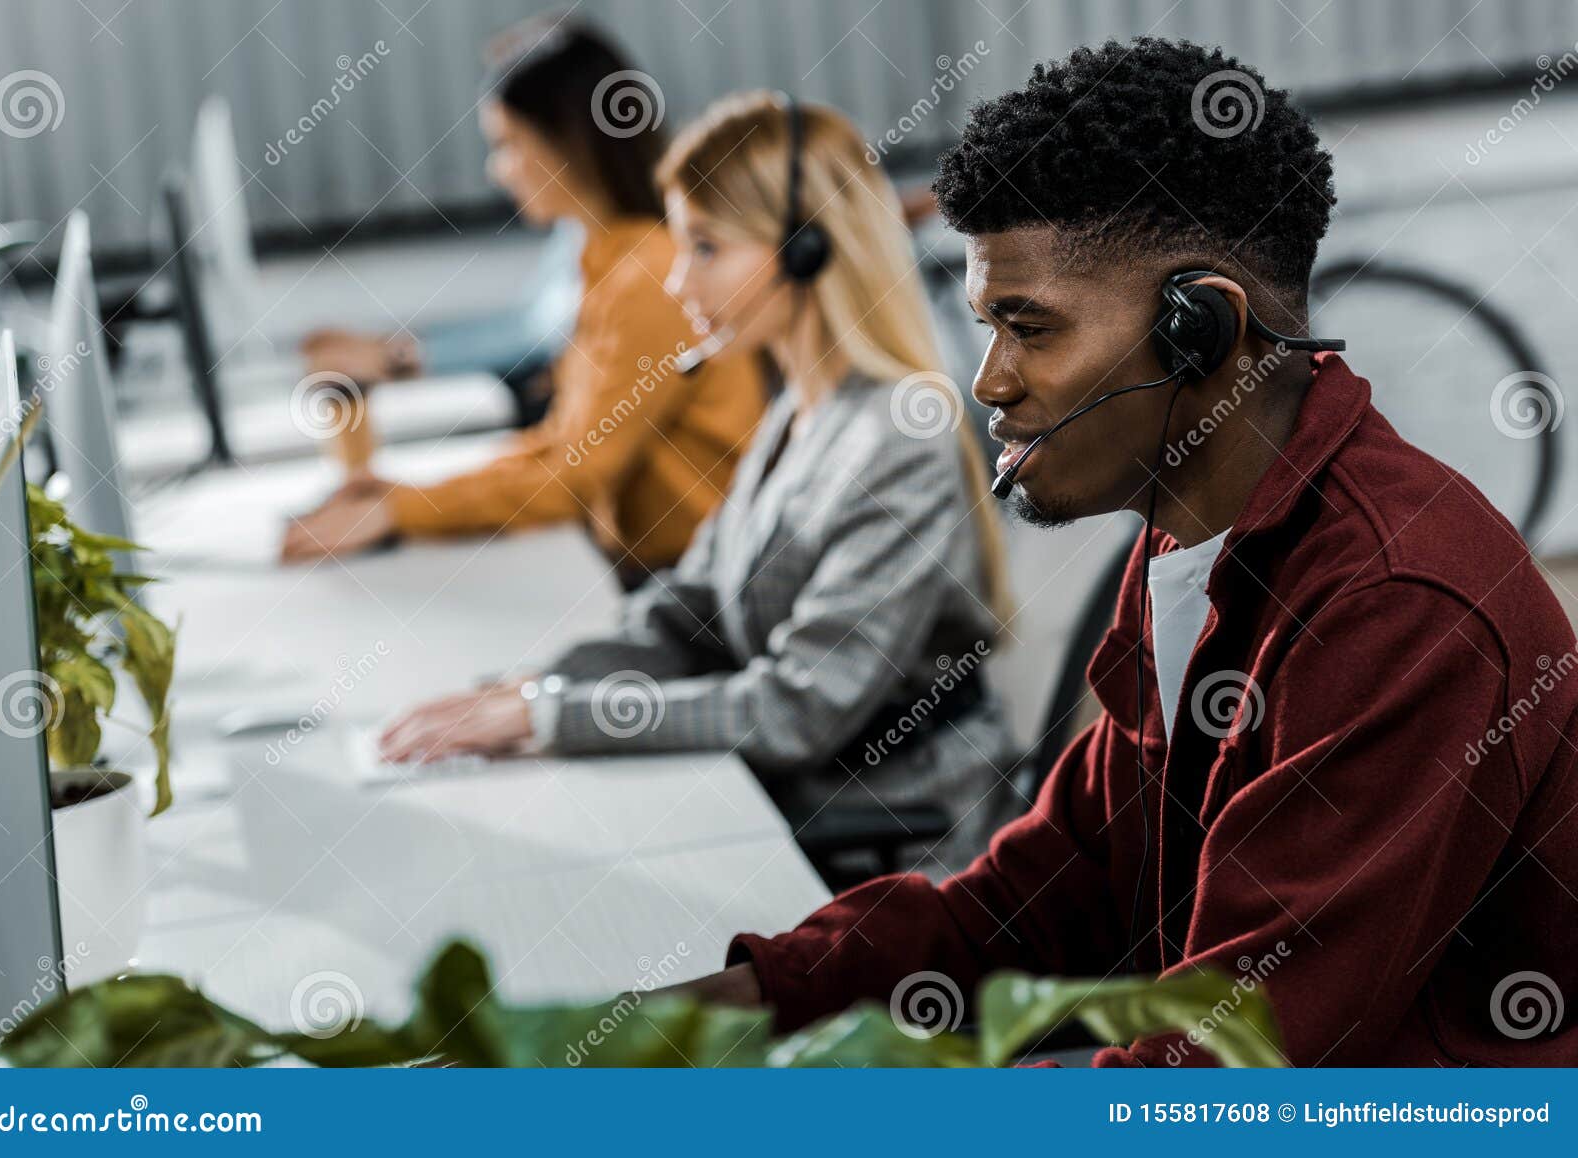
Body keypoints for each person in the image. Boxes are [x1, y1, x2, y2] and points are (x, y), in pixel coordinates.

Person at [664, 40, 1578, 1067]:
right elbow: (1031, 905)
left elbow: (1223, 1071)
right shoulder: (1194, 548)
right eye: (985, 327)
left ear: (1204, 330)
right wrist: (673, 1023)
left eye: (1030, 328)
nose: (991, 382)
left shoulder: (1399, 610)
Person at [378, 92, 1020, 865]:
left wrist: (555, 718)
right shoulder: (798, 409)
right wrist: (539, 687)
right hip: (801, 800)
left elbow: (796, 709)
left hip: (904, 838)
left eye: (707, 248)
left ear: (805, 251)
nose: (680, 284)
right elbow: (694, 608)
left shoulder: (898, 440)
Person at [280, 16, 766, 586]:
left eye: (509, 145)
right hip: (639, 566)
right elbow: (562, 439)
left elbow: (577, 477)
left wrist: (399, 513)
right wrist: (407, 497)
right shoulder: (603, 260)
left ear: (568, 143)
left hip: (688, 579)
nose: (498, 169)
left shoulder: (650, 275)